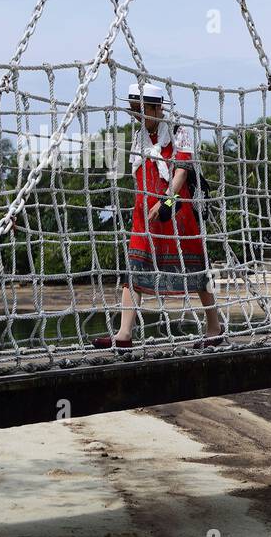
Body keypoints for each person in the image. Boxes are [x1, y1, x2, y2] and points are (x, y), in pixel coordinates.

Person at [94, 83, 222, 349]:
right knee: (135, 270)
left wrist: (166, 200)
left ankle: (214, 328)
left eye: (141, 111)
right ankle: (124, 334)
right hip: (144, 215)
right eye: (133, 111)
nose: (137, 116)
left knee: (197, 271)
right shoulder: (140, 136)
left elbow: (182, 170)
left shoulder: (179, 133)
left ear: (157, 108)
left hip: (177, 212)